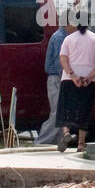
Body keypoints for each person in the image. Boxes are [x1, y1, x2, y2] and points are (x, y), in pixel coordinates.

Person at [56, 18, 95, 154]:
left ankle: (66, 133)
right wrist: (90, 77)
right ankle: (81, 143)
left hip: (68, 79)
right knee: (84, 111)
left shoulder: (69, 39)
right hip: (88, 80)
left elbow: (63, 58)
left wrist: (72, 75)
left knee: (65, 108)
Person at [36, 13, 72, 144]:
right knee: (57, 112)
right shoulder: (60, 38)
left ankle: (56, 141)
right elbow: (60, 61)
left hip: (58, 78)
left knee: (60, 112)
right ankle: (41, 141)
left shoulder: (63, 37)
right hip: (57, 79)